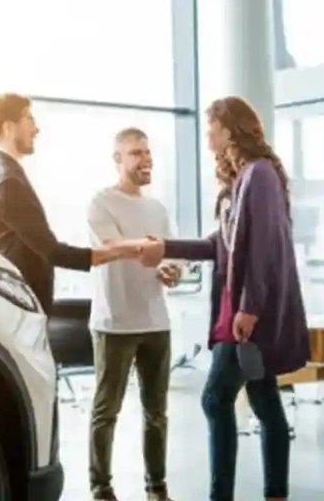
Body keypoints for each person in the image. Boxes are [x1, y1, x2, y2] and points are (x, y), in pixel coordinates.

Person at [147, 96, 310, 501]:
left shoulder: (260, 176)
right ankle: (275, 493)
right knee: (266, 403)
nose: (207, 136)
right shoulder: (239, 184)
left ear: (231, 129)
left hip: (244, 318)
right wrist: (163, 246)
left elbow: (266, 249)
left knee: (214, 399)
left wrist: (250, 308)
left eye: (211, 127)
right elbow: (217, 245)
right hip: (235, 314)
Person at [0, 93, 157, 315]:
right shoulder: (8, 182)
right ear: (8, 128)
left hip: (18, 303)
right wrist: (127, 248)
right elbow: (53, 252)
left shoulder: (3, 175)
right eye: (29, 119)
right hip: (21, 308)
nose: (36, 129)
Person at [85, 128, 184, 501]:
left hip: (157, 321)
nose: (146, 160)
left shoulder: (157, 209)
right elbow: (109, 247)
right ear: (117, 159)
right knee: (106, 410)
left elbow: (171, 252)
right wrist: (150, 250)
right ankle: (101, 488)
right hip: (115, 322)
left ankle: (156, 488)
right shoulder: (101, 203)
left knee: (157, 413)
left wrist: (173, 268)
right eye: (135, 153)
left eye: (147, 152)